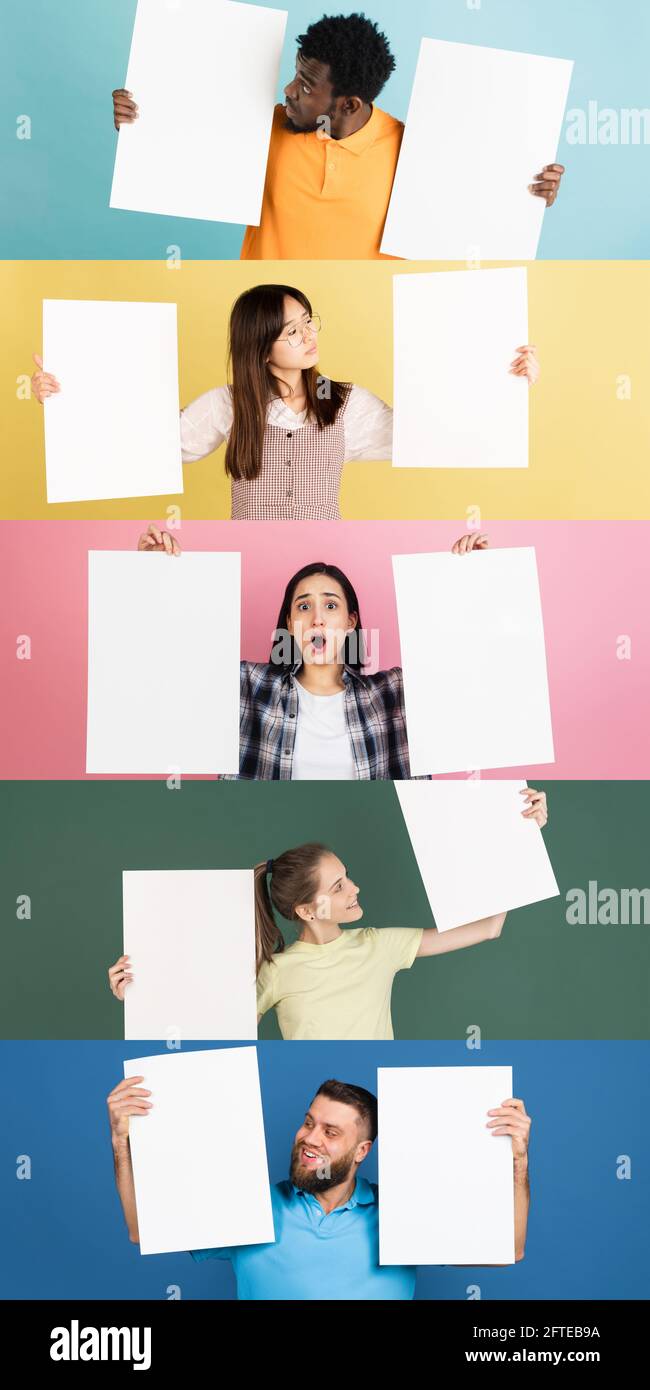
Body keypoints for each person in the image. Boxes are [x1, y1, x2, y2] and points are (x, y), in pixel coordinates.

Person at [30, 285, 539, 519]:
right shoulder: (229, 406)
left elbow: (430, 433)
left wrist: (508, 383)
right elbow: (151, 445)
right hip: (250, 556)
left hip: (326, 563)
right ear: (261, 346)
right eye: (291, 331)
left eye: (308, 322)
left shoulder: (341, 401)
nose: (308, 335)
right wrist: (65, 397)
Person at [111, 13, 565, 260]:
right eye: (295, 76)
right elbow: (183, 146)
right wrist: (141, 118)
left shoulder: (415, 151)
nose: (288, 91)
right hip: (267, 329)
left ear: (348, 104)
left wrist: (528, 194)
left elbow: (478, 209)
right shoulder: (259, 128)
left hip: (368, 329)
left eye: (306, 86)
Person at [108, 814, 548, 1040]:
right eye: (338, 887)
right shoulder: (277, 972)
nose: (354, 889)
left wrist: (521, 835)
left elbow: (489, 927)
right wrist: (140, 996)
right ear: (306, 910)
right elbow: (211, 1030)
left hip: (374, 1102)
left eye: (348, 877)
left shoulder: (381, 946)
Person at [107, 1075, 532, 1300]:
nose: (310, 1138)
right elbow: (142, 1229)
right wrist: (122, 1142)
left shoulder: (400, 1211)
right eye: (309, 1123)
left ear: (362, 1149)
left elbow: (506, 1251)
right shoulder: (253, 1203)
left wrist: (516, 1163)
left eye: (331, 1132)